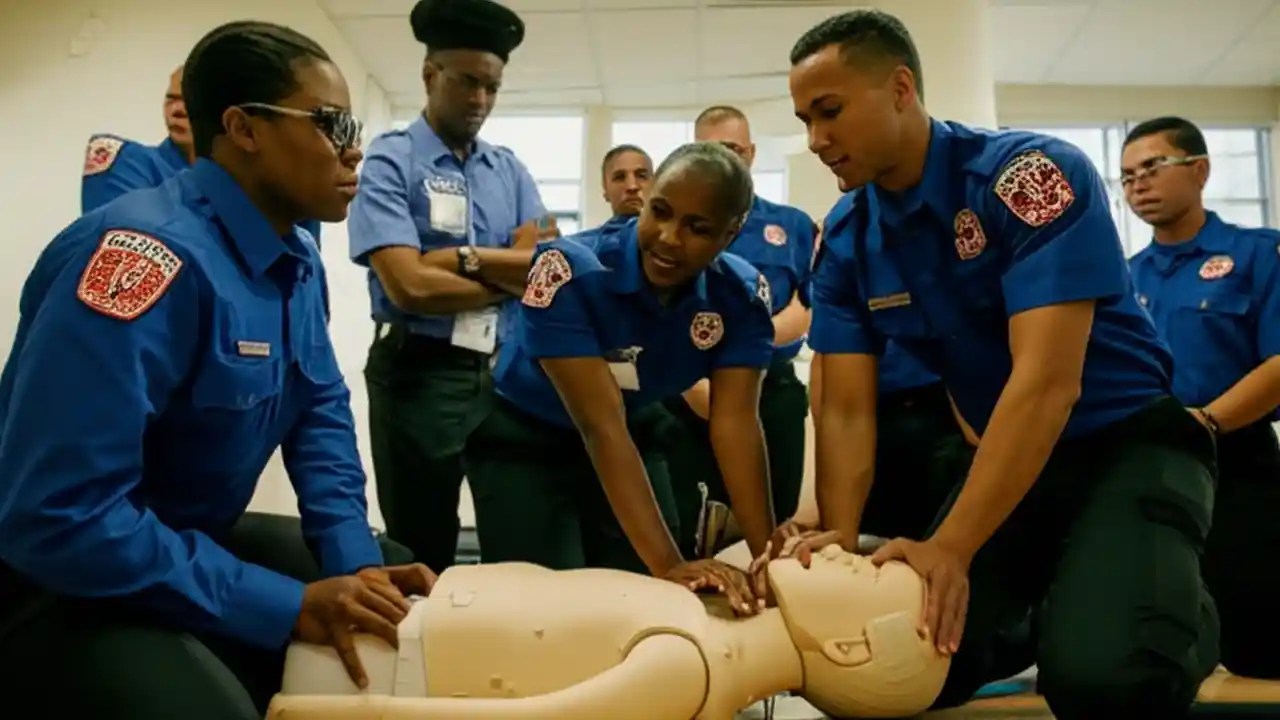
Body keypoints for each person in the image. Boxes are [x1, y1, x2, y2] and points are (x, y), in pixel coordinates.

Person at [772, 11, 1220, 719]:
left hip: (1127, 444)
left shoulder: (1028, 177)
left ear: (899, 88)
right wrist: (844, 542)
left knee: (1103, 683)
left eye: (829, 112)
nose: (816, 140)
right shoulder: (850, 239)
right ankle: (1072, 605)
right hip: (1005, 462)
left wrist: (950, 546)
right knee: (908, 669)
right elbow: (846, 406)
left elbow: (1047, 385)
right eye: (804, 119)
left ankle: (1170, 611)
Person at [0, 21, 432, 719]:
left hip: (175, 539)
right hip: (60, 578)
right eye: (333, 123)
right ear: (244, 128)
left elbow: (319, 414)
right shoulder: (142, 259)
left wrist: (354, 562)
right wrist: (285, 605)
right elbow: (58, 519)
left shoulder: (292, 259)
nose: (357, 149)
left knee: (387, 583)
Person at [463, 142, 777, 599]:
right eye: (661, 212)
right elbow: (600, 425)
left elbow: (736, 424)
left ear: (730, 234)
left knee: (645, 594)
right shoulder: (568, 271)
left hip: (633, 426)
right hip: (526, 439)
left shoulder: (742, 297)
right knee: (546, 604)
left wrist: (764, 555)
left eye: (697, 227)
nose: (669, 237)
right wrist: (670, 565)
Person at [267, 545, 949, 720]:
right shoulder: (716, 620)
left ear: (848, 650)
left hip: (364, 668)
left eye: (862, 574)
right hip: (391, 622)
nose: (847, 554)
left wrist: (329, 713)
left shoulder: (694, 669)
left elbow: (539, 719)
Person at [348, 0, 554, 575]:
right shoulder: (391, 162)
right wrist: (506, 276)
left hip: (501, 370)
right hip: (417, 375)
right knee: (421, 548)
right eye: (467, 83)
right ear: (430, 74)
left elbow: (543, 266)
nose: (480, 101)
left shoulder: (508, 170)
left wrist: (460, 261)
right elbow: (409, 286)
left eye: (492, 86)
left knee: (518, 535)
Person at [1124, 116, 1280, 680]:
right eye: (1126, 176)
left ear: (1201, 170)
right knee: (1158, 638)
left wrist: (1208, 422)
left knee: (1258, 646)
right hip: (1150, 466)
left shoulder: (1259, 254)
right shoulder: (1124, 277)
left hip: (1239, 464)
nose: (1137, 184)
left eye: (1151, 168)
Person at [661, 106, 817, 557]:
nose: (722, 160)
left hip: (772, 390)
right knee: (689, 524)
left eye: (731, 149)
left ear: (749, 154)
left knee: (771, 521)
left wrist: (741, 343)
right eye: (708, 150)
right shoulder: (675, 228)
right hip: (692, 388)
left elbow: (807, 308)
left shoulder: (791, 225)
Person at [82, 65, 324, 243]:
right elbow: (124, 245)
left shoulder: (274, 183)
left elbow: (300, 269)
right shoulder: (131, 161)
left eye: (190, 101)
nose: (177, 110)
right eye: (171, 99)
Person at [598, 143, 653, 230]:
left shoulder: (675, 241)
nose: (632, 186)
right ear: (605, 189)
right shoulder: (580, 243)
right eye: (619, 177)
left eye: (641, 176)